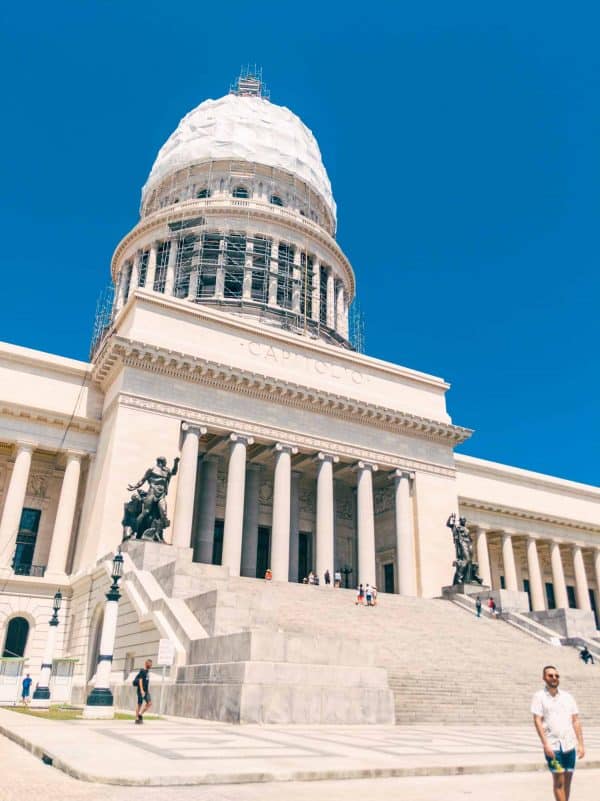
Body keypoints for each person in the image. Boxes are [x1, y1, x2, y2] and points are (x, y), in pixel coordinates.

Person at [531, 665, 585, 801]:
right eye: (550, 675)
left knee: (567, 781)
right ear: (544, 677)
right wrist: (545, 745)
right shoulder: (539, 697)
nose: (554, 678)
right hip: (553, 748)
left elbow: (575, 721)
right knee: (559, 780)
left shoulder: (568, 697)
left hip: (569, 746)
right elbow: (537, 720)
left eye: (556, 675)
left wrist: (581, 744)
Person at [133, 658, 153, 724]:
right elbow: (140, 680)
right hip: (141, 690)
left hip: (146, 691)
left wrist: (146, 690)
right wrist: (141, 690)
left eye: (151, 664)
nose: (151, 665)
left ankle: (140, 714)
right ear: (146, 664)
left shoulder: (147, 672)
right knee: (139, 704)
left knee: (149, 703)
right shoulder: (142, 671)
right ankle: (136, 718)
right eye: (149, 664)